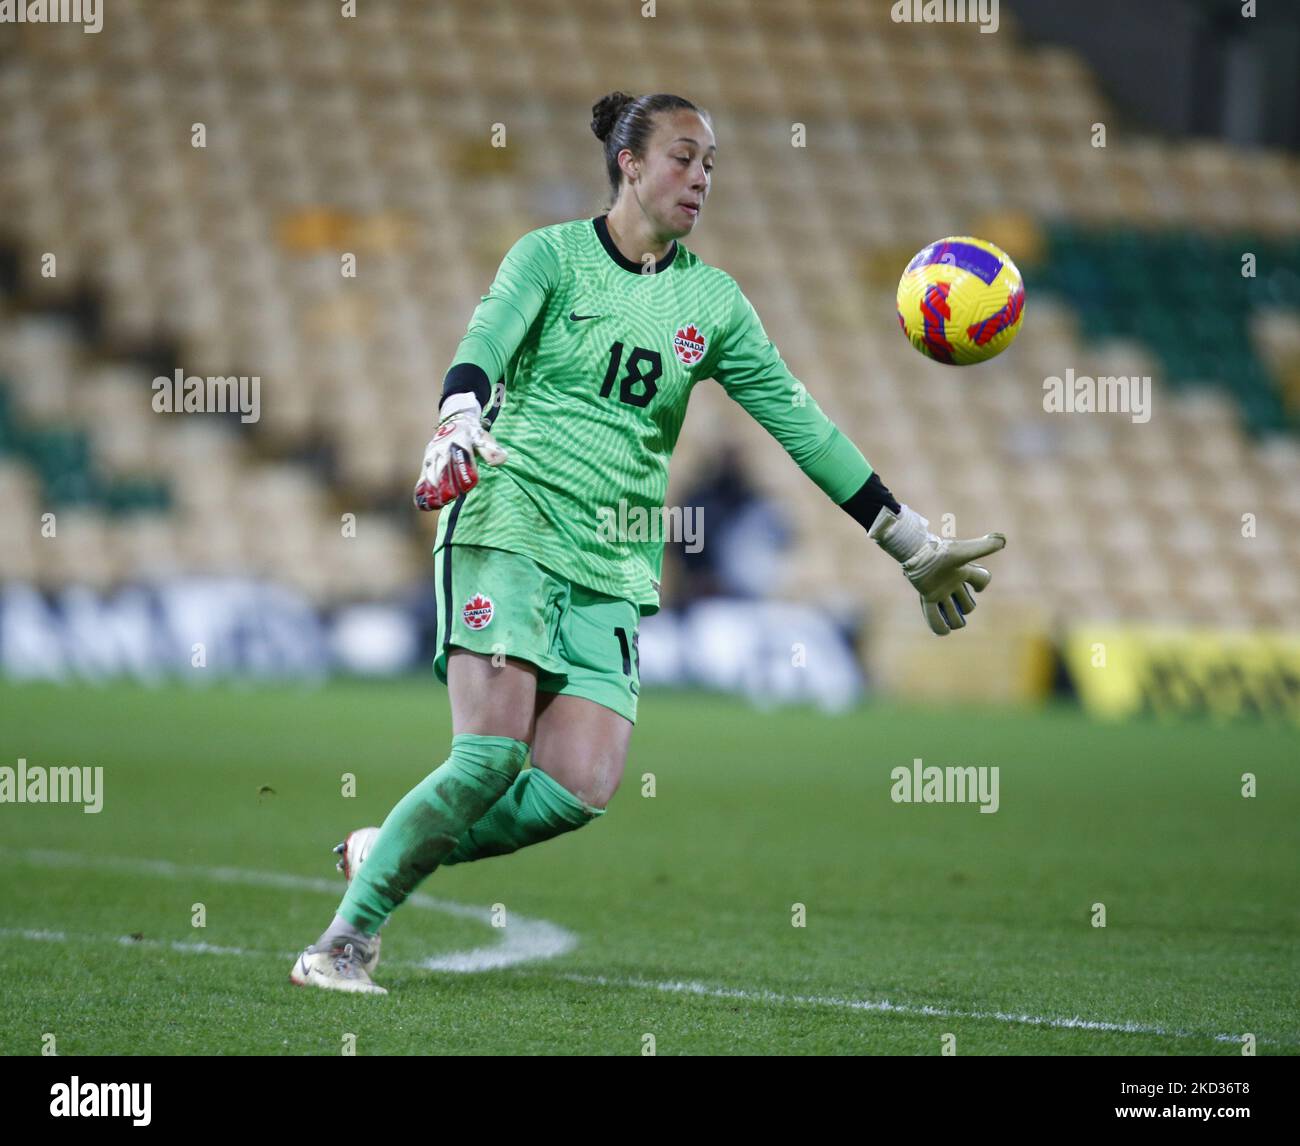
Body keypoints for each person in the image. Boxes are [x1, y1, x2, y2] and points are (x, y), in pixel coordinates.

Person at [291, 91, 1006, 994]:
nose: (700, 177)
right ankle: (343, 944)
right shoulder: (548, 256)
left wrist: (905, 539)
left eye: (710, 163)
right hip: (511, 519)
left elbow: (801, 424)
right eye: (682, 156)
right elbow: (484, 340)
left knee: (578, 786)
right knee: (491, 756)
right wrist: (459, 413)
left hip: (613, 560)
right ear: (628, 162)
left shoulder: (713, 301)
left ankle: (383, 846)